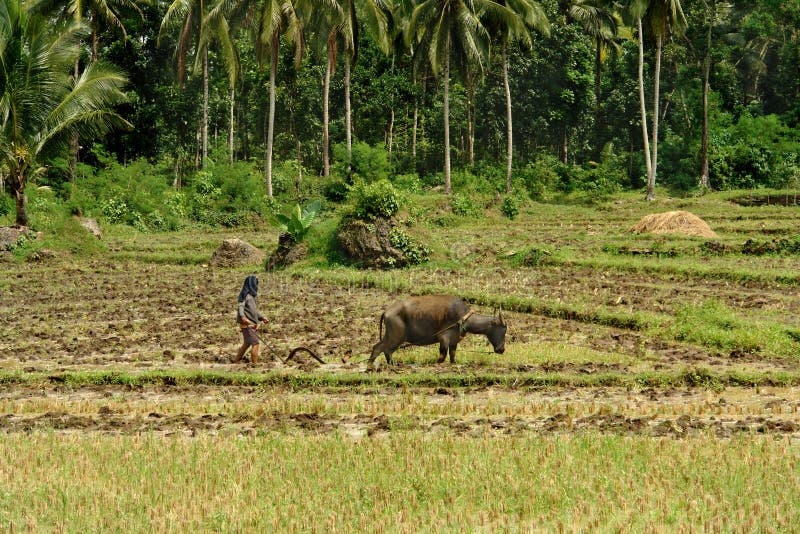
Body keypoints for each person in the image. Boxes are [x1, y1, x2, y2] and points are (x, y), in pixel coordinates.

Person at [232, 275, 268, 364]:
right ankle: (255, 365)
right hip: (247, 325)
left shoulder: (253, 296)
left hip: (252, 324)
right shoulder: (245, 295)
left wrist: (262, 317)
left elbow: (254, 311)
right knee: (255, 343)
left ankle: (236, 361)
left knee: (246, 344)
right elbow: (241, 307)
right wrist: (243, 317)